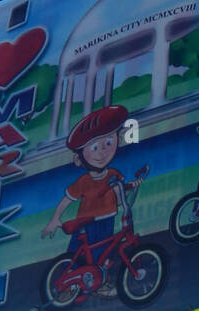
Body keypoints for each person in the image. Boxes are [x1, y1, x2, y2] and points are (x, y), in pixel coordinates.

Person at [43, 105, 133, 295]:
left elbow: (119, 192)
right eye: (94, 147)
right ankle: (68, 286)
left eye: (108, 142)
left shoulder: (114, 174)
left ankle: (100, 284)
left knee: (104, 253)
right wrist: (54, 219)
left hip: (107, 219)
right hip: (86, 223)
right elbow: (67, 200)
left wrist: (131, 188)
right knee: (77, 255)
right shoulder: (84, 181)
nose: (102, 152)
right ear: (78, 159)